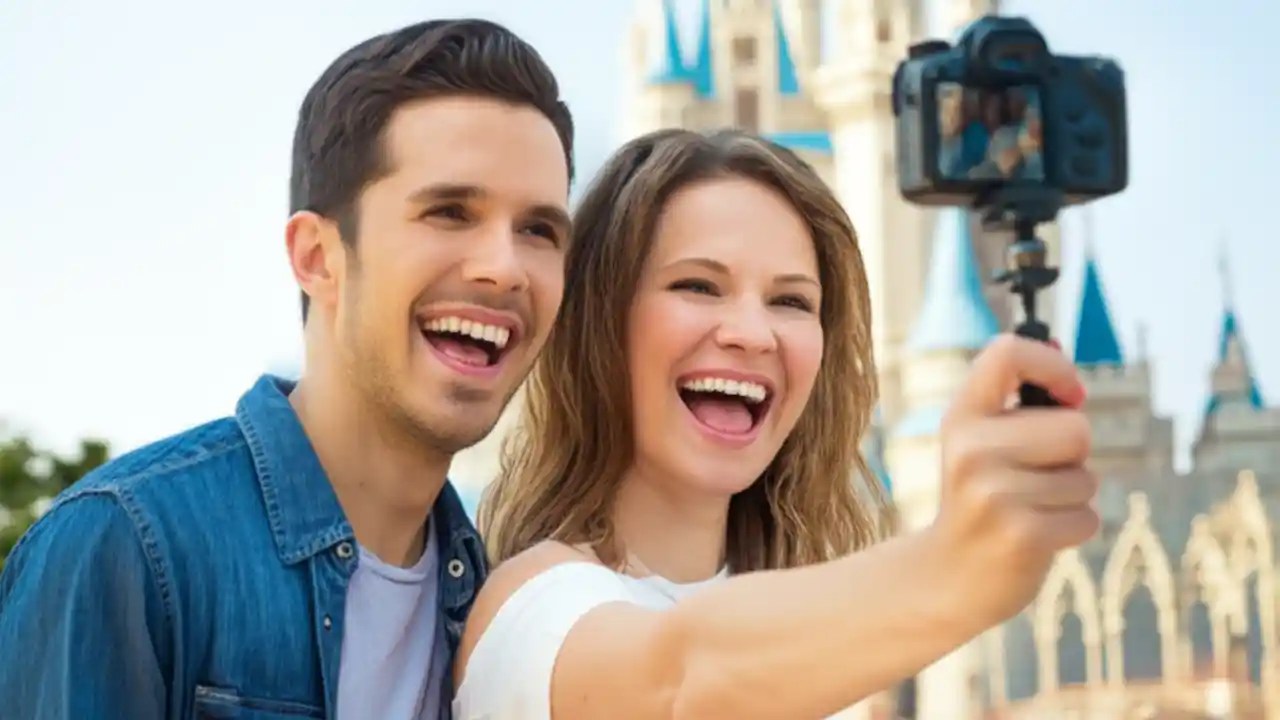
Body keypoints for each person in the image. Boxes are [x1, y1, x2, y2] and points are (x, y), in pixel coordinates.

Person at [0, 18, 574, 720]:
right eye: (450, 211)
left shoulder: (502, 614)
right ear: (316, 257)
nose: (505, 268)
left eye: (539, 229)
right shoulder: (126, 550)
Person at [452, 128, 1098, 719]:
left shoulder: (809, 638)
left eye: (791, 301)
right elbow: (680, 682)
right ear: (601, 324)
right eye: (698, 286)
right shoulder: (531, 615)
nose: (753, 334)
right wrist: (952, 567)